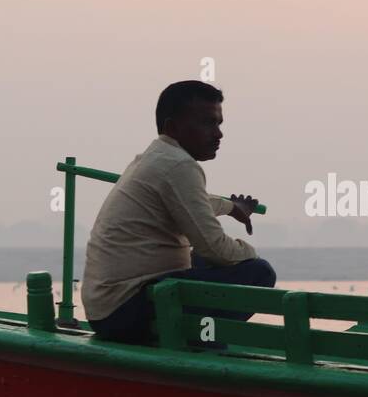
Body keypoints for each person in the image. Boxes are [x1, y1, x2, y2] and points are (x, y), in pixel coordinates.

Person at [82, 80, 277, 345]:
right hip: (126, 312)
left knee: (208, 262)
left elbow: (193, 202)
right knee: (259, 273)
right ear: (173, 127)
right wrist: (250, 254)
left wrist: (232, 208)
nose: (218, 134)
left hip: (106, 309)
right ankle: (201, 339)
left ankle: (200, 334)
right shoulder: (179, 166)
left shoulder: (155, 158)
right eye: (208, 123)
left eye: (219, 123)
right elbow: (215, 248)